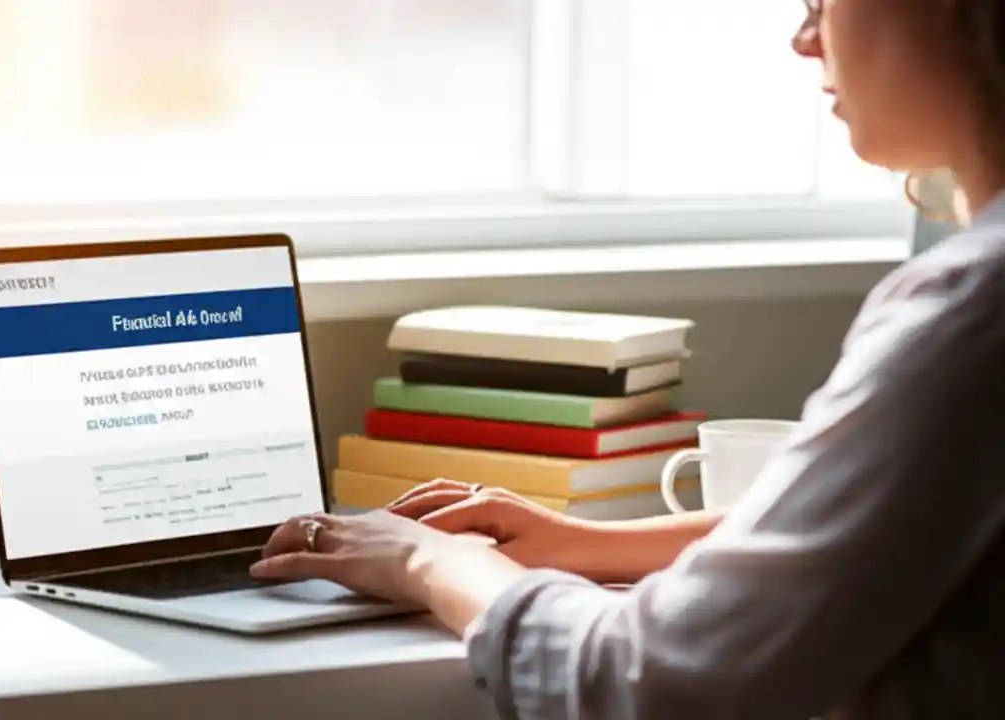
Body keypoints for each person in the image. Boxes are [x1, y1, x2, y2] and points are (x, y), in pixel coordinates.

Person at [251, 0, 1005, 717]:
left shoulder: (973, 308)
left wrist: (426, 563)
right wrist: (594, 543)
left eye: (823, 0)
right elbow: (881, 535)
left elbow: (653, 681)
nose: (805, 38)